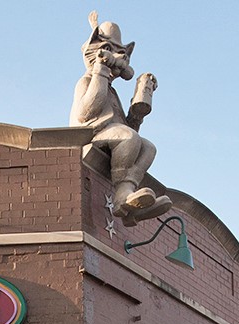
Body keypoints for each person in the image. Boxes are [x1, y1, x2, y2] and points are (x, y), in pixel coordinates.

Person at [70, 14, 171, 226]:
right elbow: (86, 113)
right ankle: (121, 199)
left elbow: (126, 128)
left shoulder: (112, 91)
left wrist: (137, 113)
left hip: (113, 135)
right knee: (128, 137)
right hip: (91, 133)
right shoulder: (87, 81)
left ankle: (128, 201)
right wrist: (100, 72)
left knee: (148, 147)